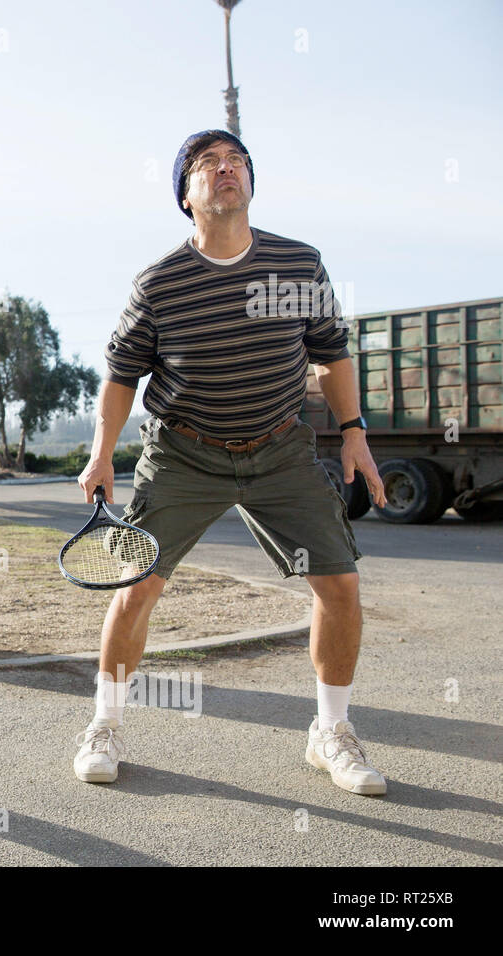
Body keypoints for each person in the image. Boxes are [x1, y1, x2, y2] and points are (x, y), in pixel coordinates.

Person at [72, 129, 391, 796]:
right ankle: (105, 725)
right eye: (208, 164)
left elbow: (332, 353)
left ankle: (330, 732)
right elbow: (121, 376)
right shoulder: (159, 283)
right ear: (186, 198)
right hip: (185, 453)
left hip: (280, 449)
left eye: (236, 161)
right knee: (136, 588)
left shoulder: (299, 265)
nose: (226, 170)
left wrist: (355, 432)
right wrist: (102, 454)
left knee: (339, 586)